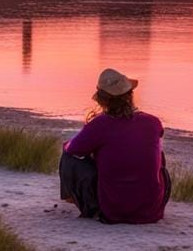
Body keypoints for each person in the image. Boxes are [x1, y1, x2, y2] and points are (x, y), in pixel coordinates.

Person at [59, 68, 170, 224]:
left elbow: (72, 149)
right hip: (151, 212)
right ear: (130, 95)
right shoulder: (153, 122)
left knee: (69, 158)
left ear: (101, 99)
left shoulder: (100, 124)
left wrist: (78, 145)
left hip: (113, 211)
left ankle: (79, 202)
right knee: (159, 155)